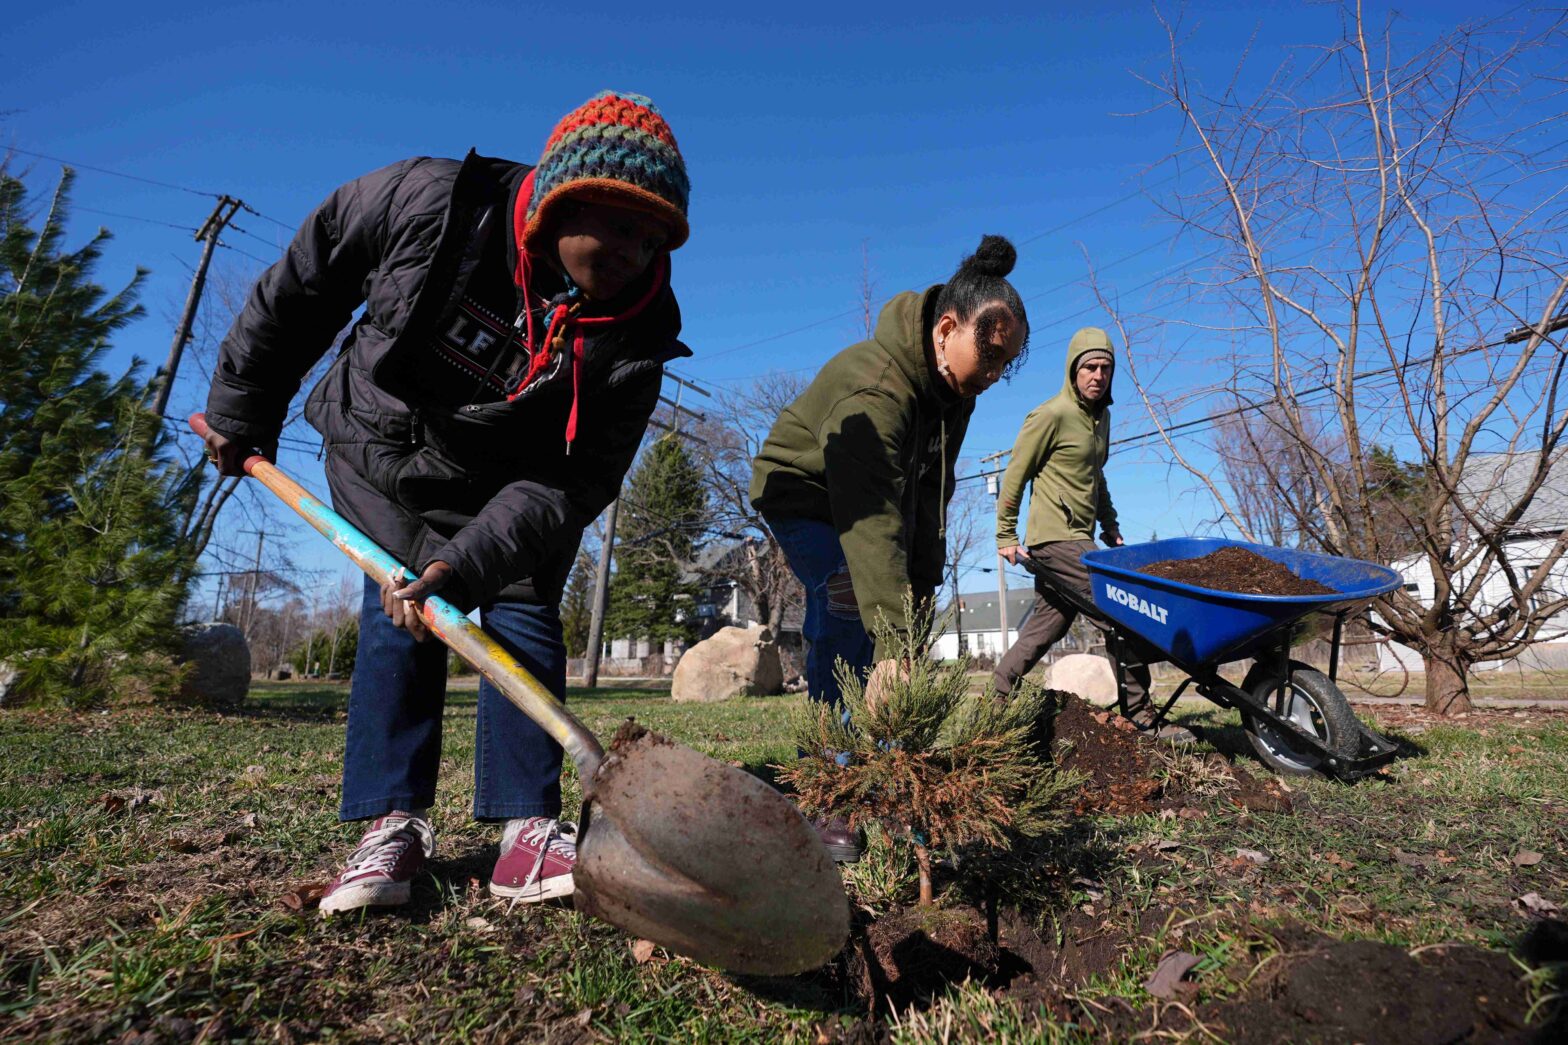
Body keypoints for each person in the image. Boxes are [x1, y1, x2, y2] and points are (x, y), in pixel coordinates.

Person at [200, 91, 692, 913]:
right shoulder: (427, 203)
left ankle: (528, 827)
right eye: (616, 221)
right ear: (562, 196)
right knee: (401, 602)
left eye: (652, 236)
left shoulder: (639, 328)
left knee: (525, 601)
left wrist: (471, 561)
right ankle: (390, 822)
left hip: (516, 481)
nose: (634, 250)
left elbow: (580, 480)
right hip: (385, 445)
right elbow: (305, 284)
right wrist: (242, 407)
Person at [750, 235, 1029, 861]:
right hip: (803, 491)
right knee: (849, 598)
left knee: (895, 626)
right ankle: (829, 787)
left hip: (871, 503)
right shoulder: (876, 388)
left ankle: (886, 779)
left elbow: (931, 496)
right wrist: (893, 635)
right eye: (987, 356)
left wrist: (916, 612)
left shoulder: (953, 393)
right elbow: (869, 520)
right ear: (946, 329)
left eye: (1002, 365)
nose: (991, 377)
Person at [991, 327, 1194, 743]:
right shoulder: (1050, 415)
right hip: (1055, 538)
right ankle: (1140, 716)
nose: (1097, 375)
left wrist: (1111, 525)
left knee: (1048, 626)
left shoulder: (1101, 419)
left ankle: (997, 696)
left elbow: (1095, 479)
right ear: (1073, 370)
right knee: (1122, 613)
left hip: (1080, 537)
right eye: (1089, 367)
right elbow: (1015, 474)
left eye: (1105, 368)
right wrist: (1005, 535)